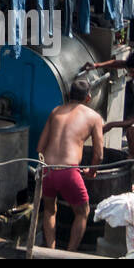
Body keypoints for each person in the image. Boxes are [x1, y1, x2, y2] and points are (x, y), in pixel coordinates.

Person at [36, 78, 104, 252]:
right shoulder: (94, 117)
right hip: (69, 171)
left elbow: (40, 148)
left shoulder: (56, 111)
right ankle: (69, 253)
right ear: (88, 98)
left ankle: (50, 251)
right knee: (82, 212)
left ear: (68, 94)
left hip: (47, 170)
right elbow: (99, 154)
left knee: (50, 210)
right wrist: (92, 170)